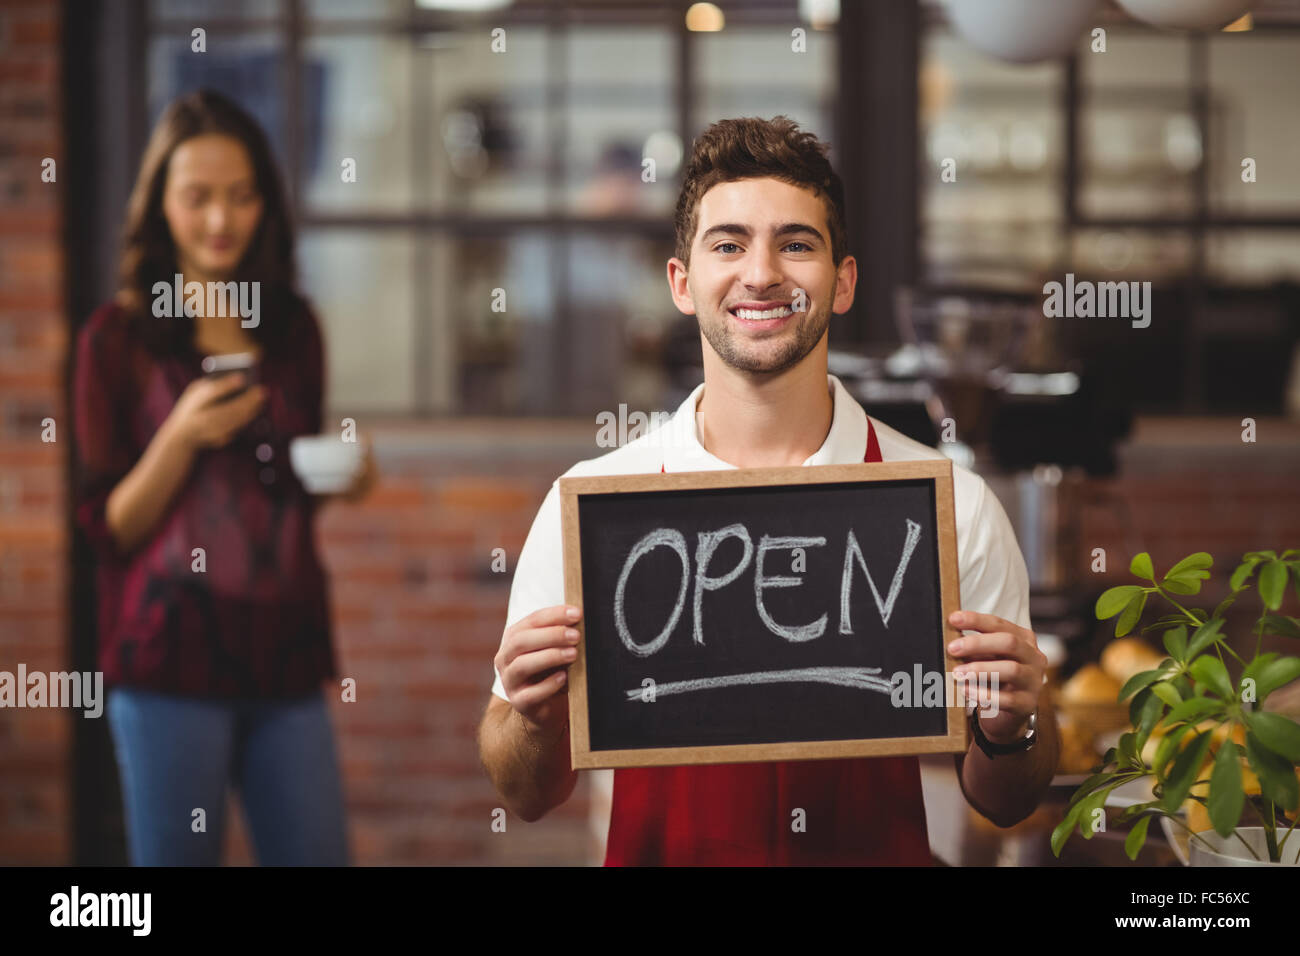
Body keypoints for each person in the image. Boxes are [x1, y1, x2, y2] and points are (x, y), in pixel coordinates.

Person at [478, 115, 1059, 865]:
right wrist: (531, 715)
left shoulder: (948, 505)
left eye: (796, 243)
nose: (761, 274)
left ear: (842, 281)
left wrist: (1014, 726)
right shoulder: (591, 507)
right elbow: (525, 795)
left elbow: (1005, 798)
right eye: (728, 244)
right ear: (682, 284)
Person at [73, 89, 375, 866]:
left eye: (241, 196)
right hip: (166, 662)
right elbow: (108, 527)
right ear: (160, 204)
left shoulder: (294, 328)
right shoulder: (116, 340)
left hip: (287, 655)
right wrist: (179, 437)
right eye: (197, 196)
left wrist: (348, 474)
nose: (220, 219)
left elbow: (287, 483)